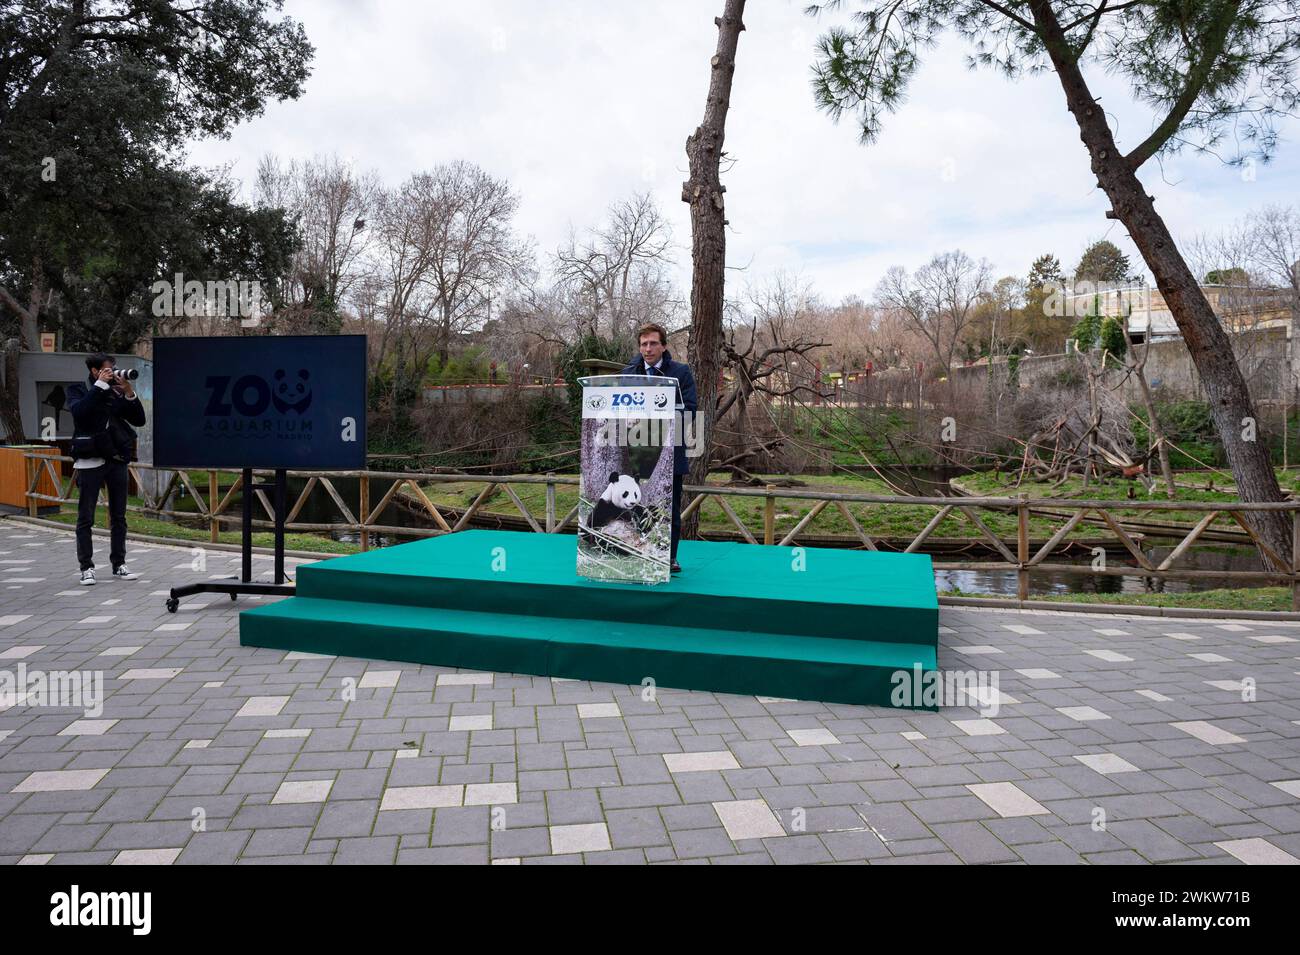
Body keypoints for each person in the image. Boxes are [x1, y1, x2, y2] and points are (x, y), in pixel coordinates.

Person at [621, 323, 697, 574]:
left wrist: (659, 415)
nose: (648, 348)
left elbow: (690, 410)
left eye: (653, 343)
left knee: (669, 508)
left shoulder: (680, 373)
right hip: (636, 454)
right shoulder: (628, 373)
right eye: (643, 344)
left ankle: (669, 557)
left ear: (663, 346)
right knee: (634, 505)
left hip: (668, 453)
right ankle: (636, 550)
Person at [67, 353, 147, 585]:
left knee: (119, 516)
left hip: (115, 459)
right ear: (95, 371)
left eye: (114, 369)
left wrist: (129, 393)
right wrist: (100, 385)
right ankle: (86, 568)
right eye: (108, 369)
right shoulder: (78, 390)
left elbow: (139, 420)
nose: (113, 372)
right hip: (90, 460)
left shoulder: (115, 393)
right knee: (86, 517)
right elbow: (80, 413)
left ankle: (119, 564)